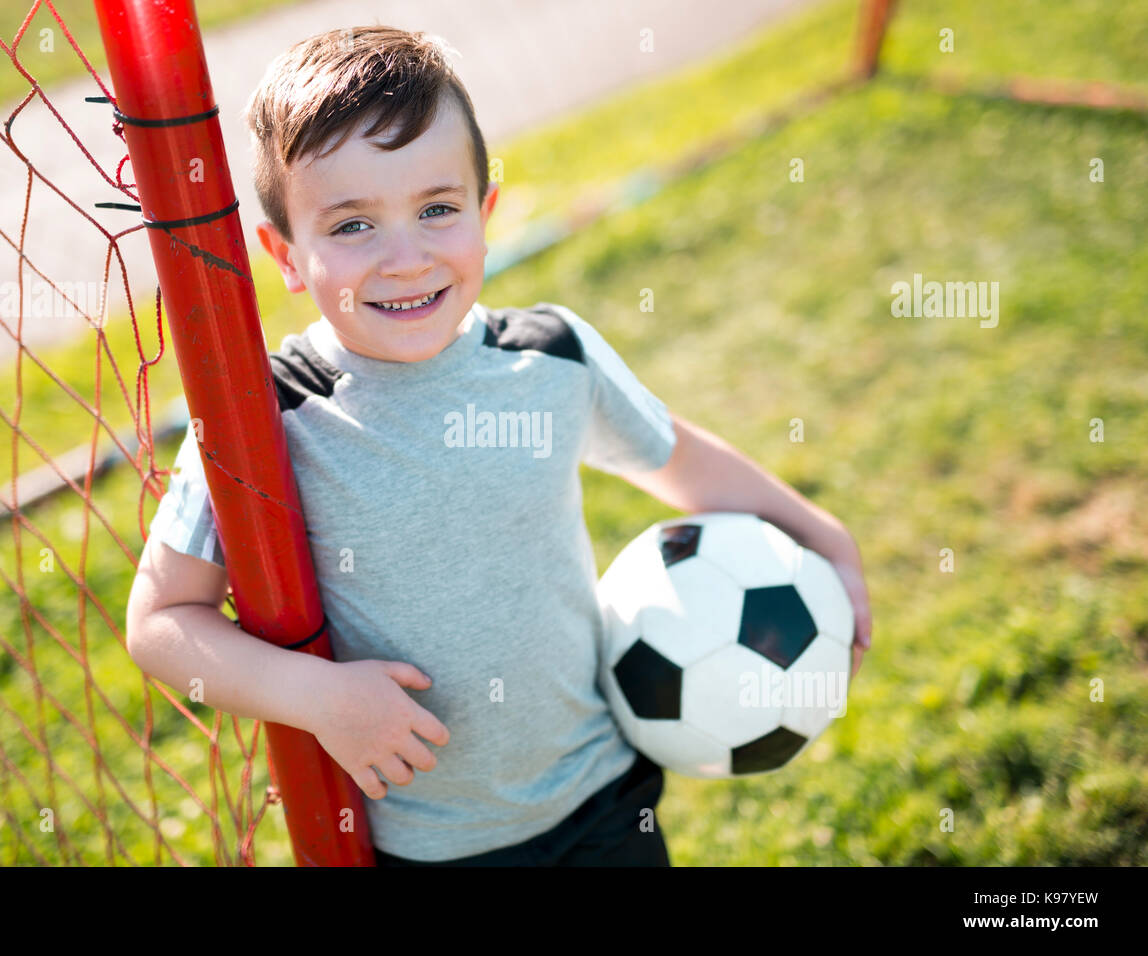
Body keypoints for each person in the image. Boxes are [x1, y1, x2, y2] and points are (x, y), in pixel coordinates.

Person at [124, 25, 873, 866]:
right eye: (352, 226)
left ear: (485, 216)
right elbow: (161, 622)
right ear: (287, 256)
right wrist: (319, 697)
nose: (406, 258)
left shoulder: (550, 357)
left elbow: (683, 461)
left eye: (436, 209)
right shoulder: (265, 415)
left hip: (604, 800)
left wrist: (822, 533)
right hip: (428, 844)